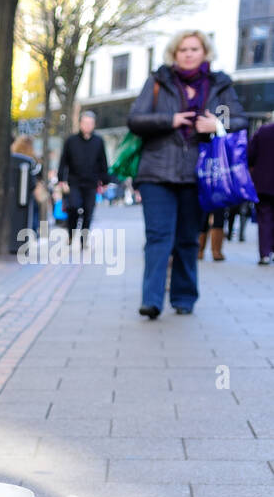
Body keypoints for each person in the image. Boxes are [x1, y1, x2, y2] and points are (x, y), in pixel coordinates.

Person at [128, 29, 246, 318]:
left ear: (205, 52)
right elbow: (135, 119)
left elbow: (240, 119)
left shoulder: (219, 85)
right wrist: (170, 119)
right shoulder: (158, 81)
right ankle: (152, 300)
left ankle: (184, 297)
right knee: (158, 237)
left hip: (199, 174)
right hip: (157, 172)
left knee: (188, 238)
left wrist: (217, 124)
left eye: (194, 48)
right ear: (174, 54)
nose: (189, 53)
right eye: (183, 49)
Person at [57, 110, 109, 240]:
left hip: (91, 182)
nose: (87, 126)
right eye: (85, 123)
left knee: (88, 210)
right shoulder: (71, 141)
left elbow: (103, 161)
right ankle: (71, 232)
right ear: (80, 123)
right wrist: (61, 180)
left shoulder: (98, 141)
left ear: (94, 125)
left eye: (90, 123)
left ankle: (83, 238)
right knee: (73, 207)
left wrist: (105, 181)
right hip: (74, 181)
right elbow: (64, 161)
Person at [248, 116, 274, 265]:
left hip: (263, 183)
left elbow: (250, 155)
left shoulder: (262, 131)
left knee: (264, 218)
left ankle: (265, 253)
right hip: (264, 183)